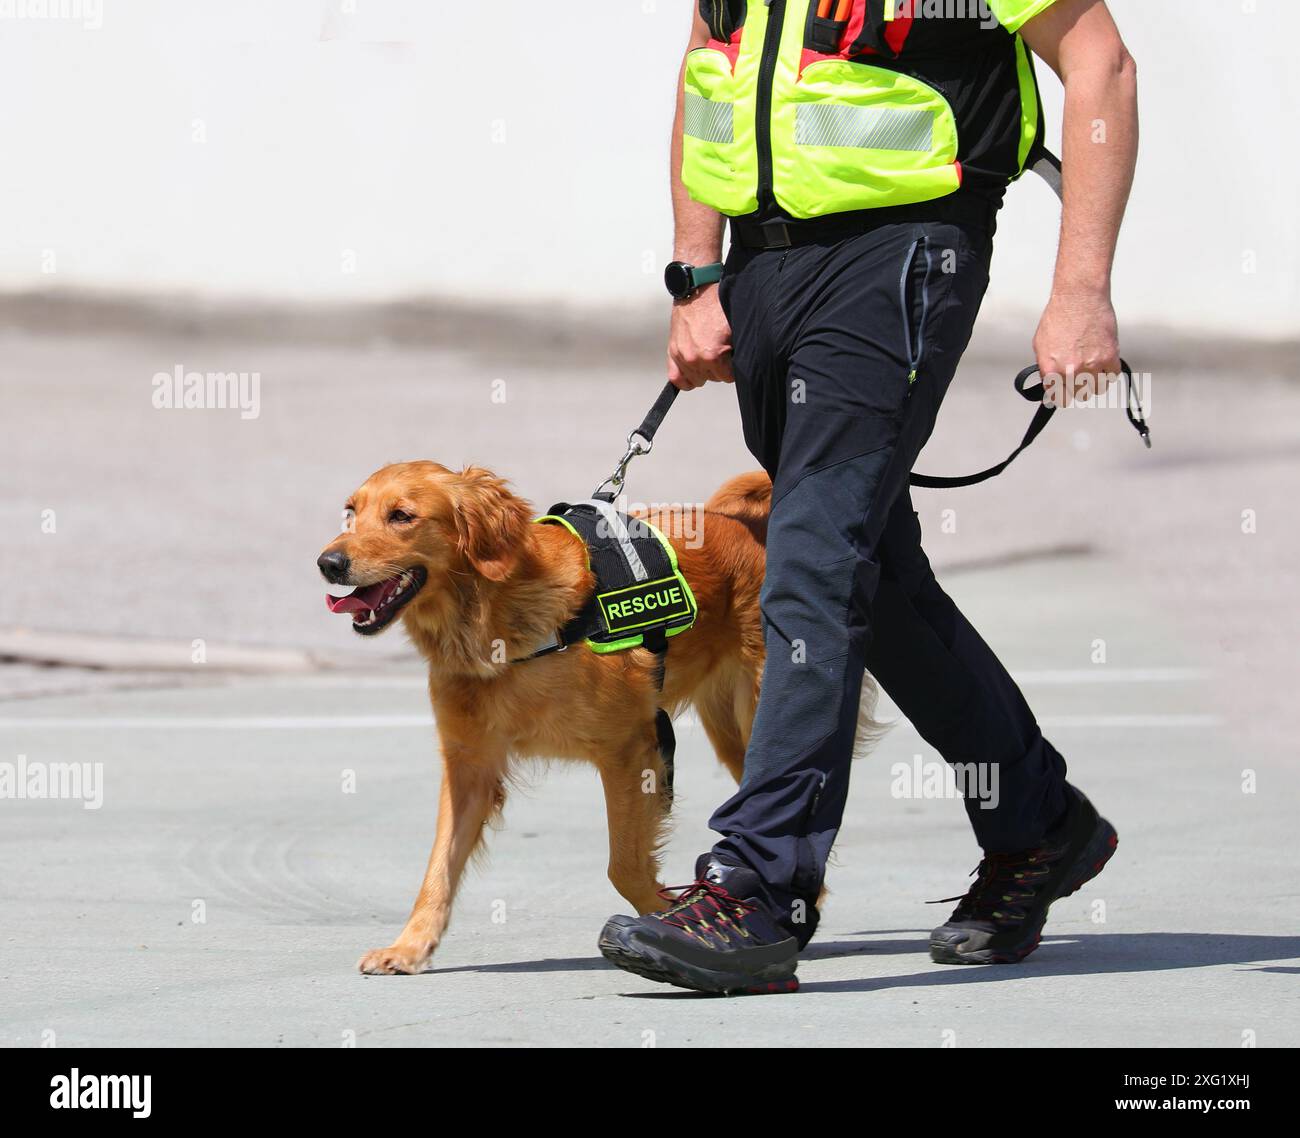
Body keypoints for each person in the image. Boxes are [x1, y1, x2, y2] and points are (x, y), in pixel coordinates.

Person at [598, 0, 1137, 994]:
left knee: (805, 563)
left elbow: (1097, 62)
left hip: (900, 254)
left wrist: (1080, 291)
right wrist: (695, 271)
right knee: (869, 575)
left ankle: (761, 891)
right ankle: (1038, 825)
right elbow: (708, 62)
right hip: (764, 270)